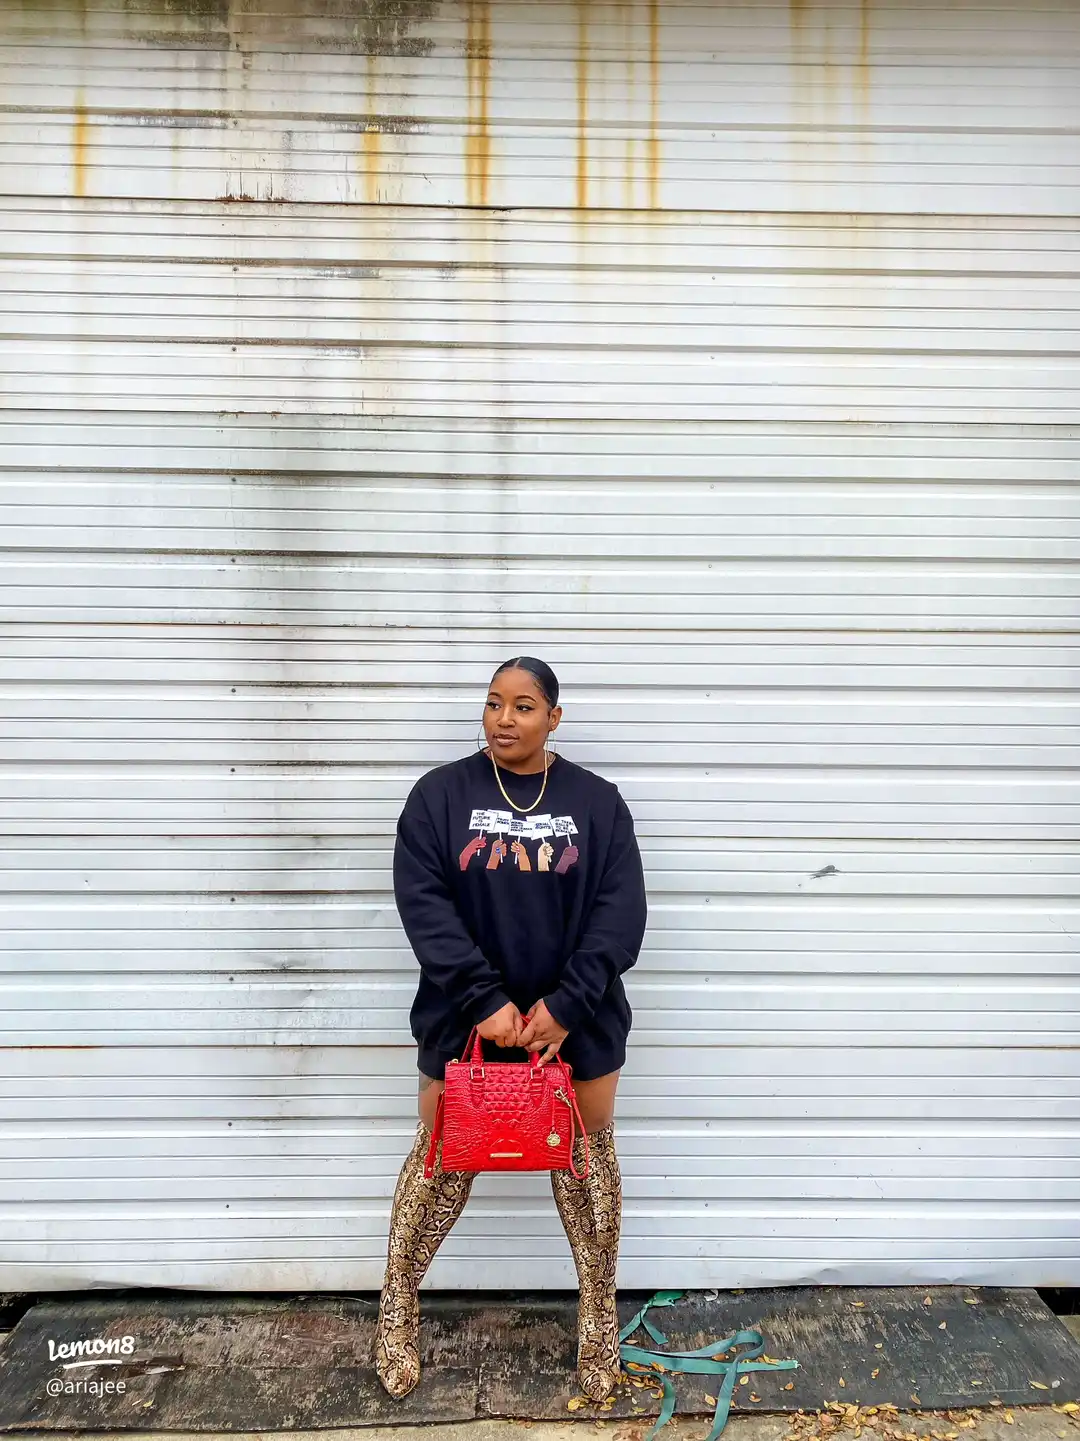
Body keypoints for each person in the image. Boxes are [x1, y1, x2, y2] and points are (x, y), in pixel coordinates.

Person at [374, 656, 648, 1402]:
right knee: (438, 1167)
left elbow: (619, 916)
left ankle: (598, 1328)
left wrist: (565, 1005)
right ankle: (397, 1310)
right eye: (494, 702)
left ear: (554, 716)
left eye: (524, 705)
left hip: (577, 1026)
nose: (504, 718)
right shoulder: (438, 797)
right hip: (466, 1023)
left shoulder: (597, 804)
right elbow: (424, 904)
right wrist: (483, 999)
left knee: (587, 1171)